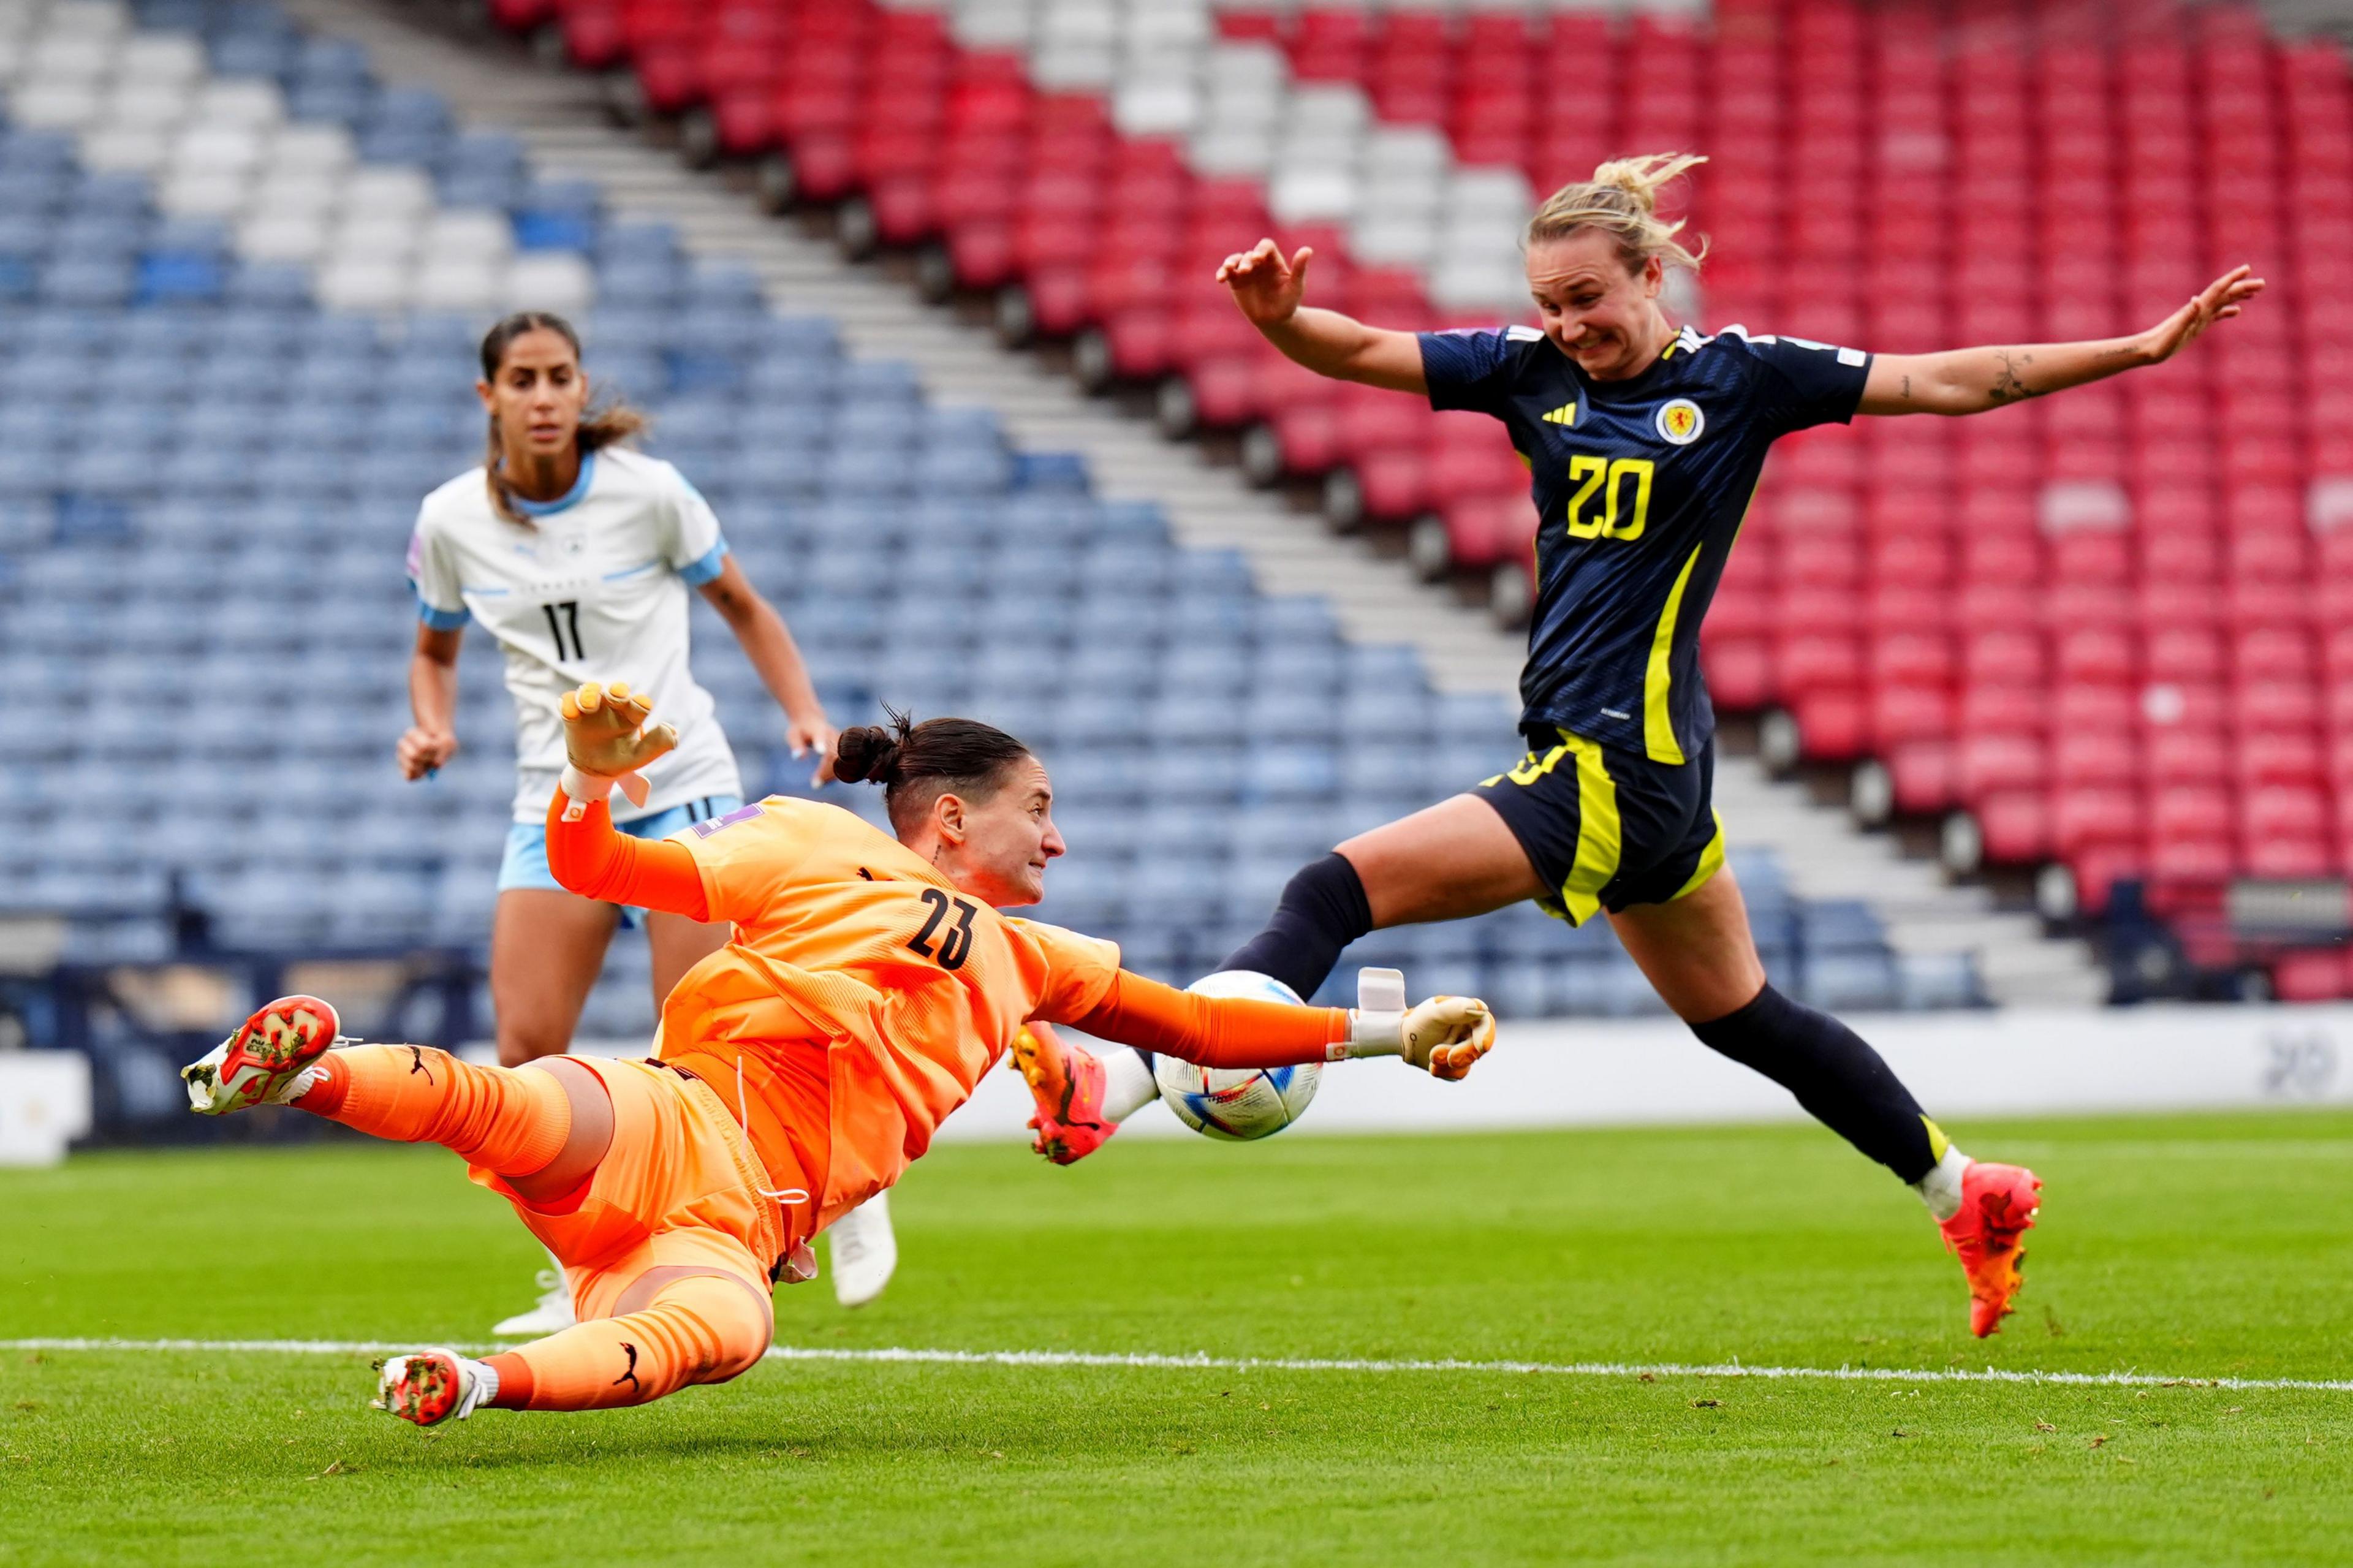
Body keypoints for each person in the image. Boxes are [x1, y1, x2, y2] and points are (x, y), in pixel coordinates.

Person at [1158, 151, 2264, 1338]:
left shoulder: (1743, 380)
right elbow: (1361, 350)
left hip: (1611, 766)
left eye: (1588, 298)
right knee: (1743, 1016)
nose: (1567, 325)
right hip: (1655, 775)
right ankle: (1966, 1186)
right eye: (1548, 302)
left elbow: (1952, 381)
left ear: (1649, 275)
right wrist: (1281, 323)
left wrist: (2137, 350)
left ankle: (1127, 1074)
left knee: (1330, 888)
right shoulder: (1527, 374)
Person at [182, 683, 1497, 1425]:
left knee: (723, 1324)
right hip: (683, 1118)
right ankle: (309, 1071)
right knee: (526, 1101)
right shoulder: (811, 840)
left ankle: (472, 1378)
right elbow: (603, 867)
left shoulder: (1040, 960)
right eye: (1039, 808)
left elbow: (1206, 1025)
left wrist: (1385, 1031)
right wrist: (585, 780)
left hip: (743, 1214)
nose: (1058, 838)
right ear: (946, 816)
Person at [398, 311, 898, 1331]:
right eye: (524, 380)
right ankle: (579, 1271)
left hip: (683, 794)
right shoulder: (450, 520)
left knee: (712, 1037)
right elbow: (435, 649)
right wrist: (431, 726)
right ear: (487, 397)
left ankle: (844, 1190)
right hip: (557, 801)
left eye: (561, 377)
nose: (545, 397)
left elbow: (745, 605)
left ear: (584, 391)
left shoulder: (651, 492)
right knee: (528, 1046)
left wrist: (802, 710)